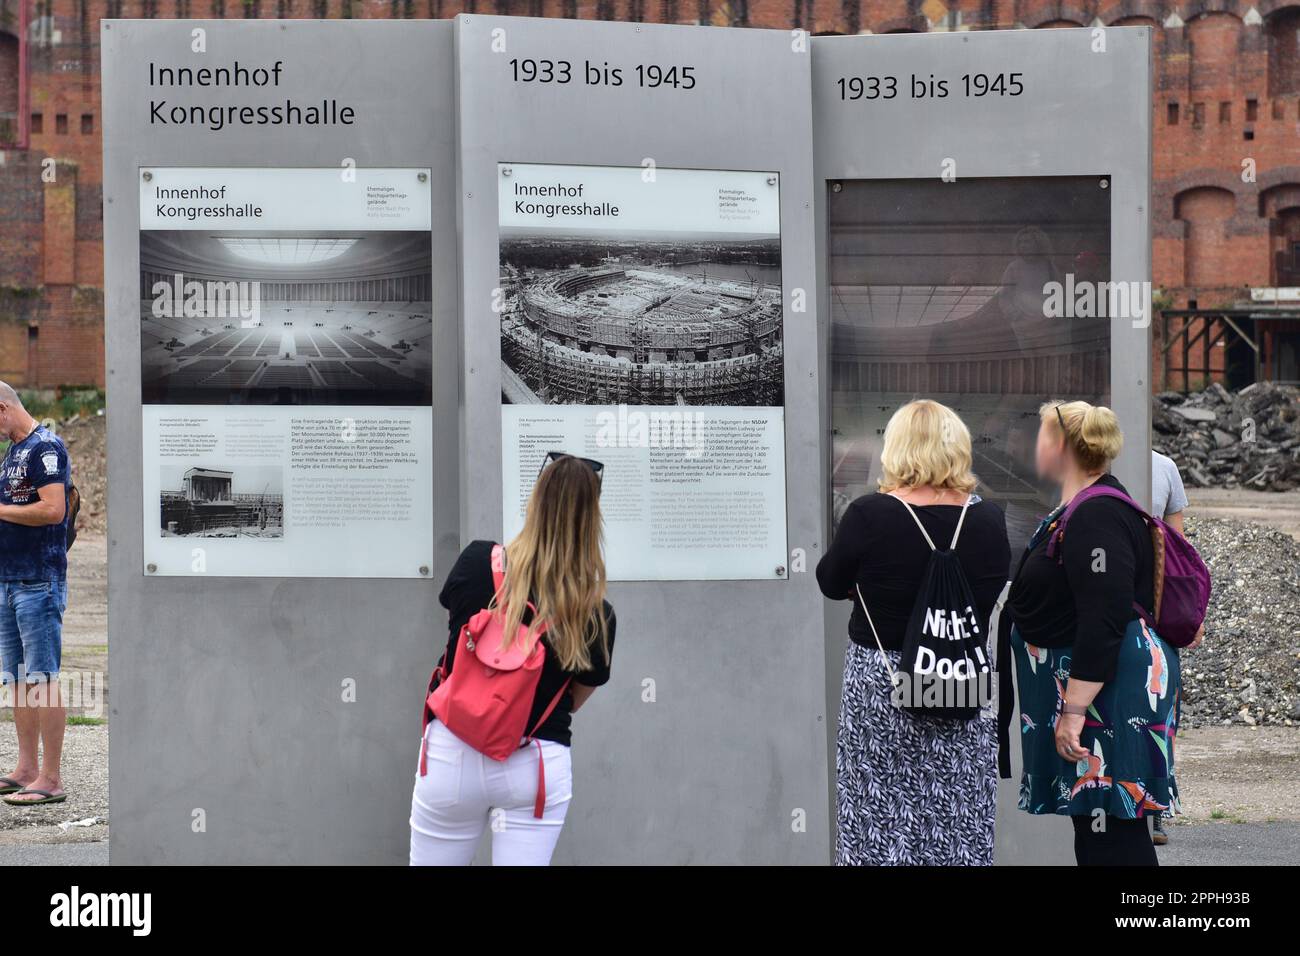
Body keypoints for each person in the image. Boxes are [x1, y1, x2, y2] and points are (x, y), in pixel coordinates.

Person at [817, 400, 1011, 865]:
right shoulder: (989, 519)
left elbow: (830, 581)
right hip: (961, 679)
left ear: (897, 449)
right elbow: (989, 590)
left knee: (876, 810)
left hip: (881, 682)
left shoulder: (870, 514)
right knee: (957, 811)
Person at [409, 453, 615, 866]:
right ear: (592, 520)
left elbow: (457, 632)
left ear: (534, 501)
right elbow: (571, 698)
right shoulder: (595, 613)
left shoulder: (475, 562)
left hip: (454, 754)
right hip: (533, 764)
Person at [1007, 401, 1181, 866]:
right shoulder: (1085, 506)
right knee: (1099, 827)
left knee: (1113, 833)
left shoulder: (1096, 514)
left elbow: (1105, 616)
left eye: (1041, 435)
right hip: (1101, 695)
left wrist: (1073, 711)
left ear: (1061, 446)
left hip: (1108, 702)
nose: (1032, 445)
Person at [0, 383, 72, 806]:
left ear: (3, 408)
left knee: (43, 677)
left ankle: (51, 778)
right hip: (9, 580)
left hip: (38, 582)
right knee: (18, 679)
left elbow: (54, 509)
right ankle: (26, 769)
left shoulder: (47, 447)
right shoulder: (12, 452)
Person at [1149, 449, 1200, 846]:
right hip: (1125, 601)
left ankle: (1155, 806)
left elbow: (1178, 552)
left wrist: (1189, 614)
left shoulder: (1165, 467)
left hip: (1157, 605)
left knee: (1162, 706)